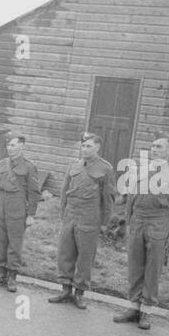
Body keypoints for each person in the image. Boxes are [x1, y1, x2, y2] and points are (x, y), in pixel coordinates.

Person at [113, 132, 169, 329]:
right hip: (138, 221)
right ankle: (132, 308)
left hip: (159, 222)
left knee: (153, 268)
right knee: (135, 265)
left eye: (160, 147)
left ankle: (146, 311)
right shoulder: (140, 171)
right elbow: (131, 198)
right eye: (153, 146)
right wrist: (129, 222)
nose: (154, 150)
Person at [48, 132, 116, 308]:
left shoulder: (105, 168)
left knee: (85, 256)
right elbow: (64, 191)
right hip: (71, 214)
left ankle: (79, 293)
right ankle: (65, 289)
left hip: (89, 217)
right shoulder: (74, 166)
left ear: (98, 148)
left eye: (89, 146)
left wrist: (104, 222)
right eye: (83, 146)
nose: (85, 149)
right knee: (65, 252)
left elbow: (108, 198)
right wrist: (63, 213)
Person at [0, 135, 41, 292]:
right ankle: (1, 274)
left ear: (22, 147)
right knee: (0, 241)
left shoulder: (29, 167)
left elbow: (34, 192)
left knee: (14, 243)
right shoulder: (2, 163)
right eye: (8, 145)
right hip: (2, 205)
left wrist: (31, 215)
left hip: (17, 206)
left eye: (14, 145)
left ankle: (12, 277)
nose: (10, 148)